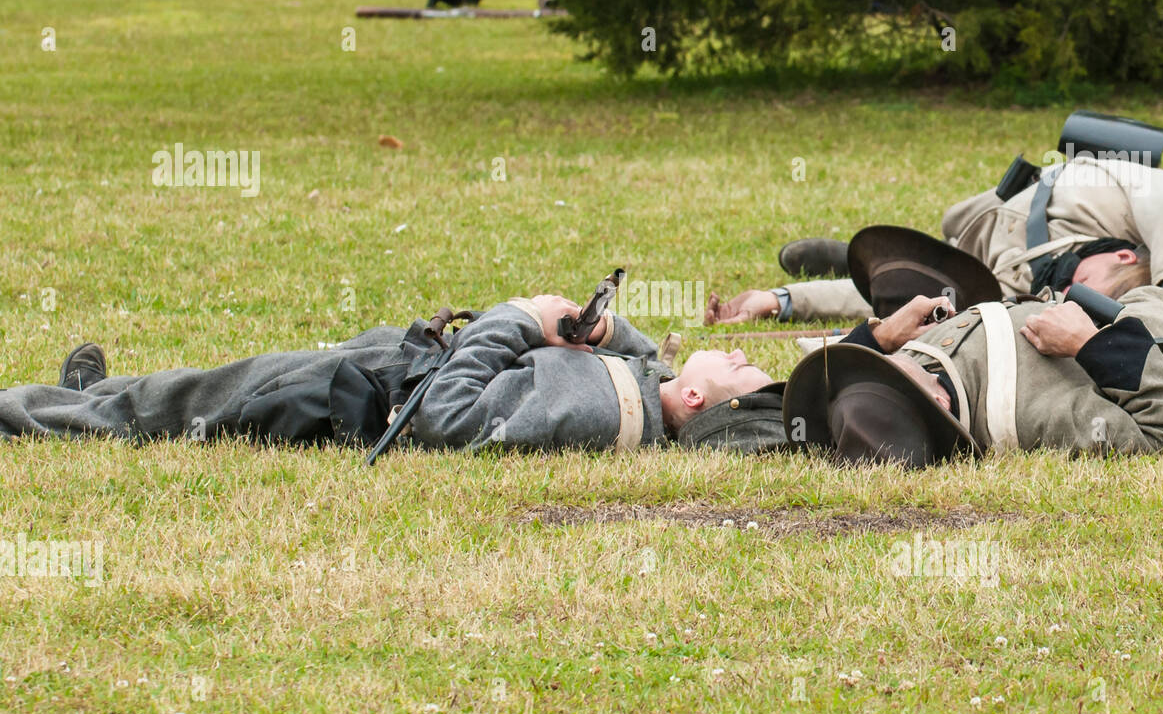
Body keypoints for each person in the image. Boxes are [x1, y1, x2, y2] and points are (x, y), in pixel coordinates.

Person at [0, 295, 773, 452]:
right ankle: (85, 402)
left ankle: (35, 413)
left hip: (362, 395)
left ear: (697, 398)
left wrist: (515, 318)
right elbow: (642, 363)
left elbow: (449, 415)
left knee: (175, 405)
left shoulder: (606, 411)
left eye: (740, 367)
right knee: (188, 388)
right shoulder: (645, 388)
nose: (739, 351)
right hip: (383, 364)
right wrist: (600, 327)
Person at [706, 153, 1163, 325]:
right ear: (1123, 255)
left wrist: (780, 300)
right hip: (1018, 201)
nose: (1070, 295)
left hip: (973, 248)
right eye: (1087, 287)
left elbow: (920, 300)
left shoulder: (1033, 295)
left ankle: (869, 259)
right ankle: (860, 253)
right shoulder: (1118, 205)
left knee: (915, 278)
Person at [783, 285, 1163, 468]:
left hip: (1062, 296)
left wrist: (879, 337)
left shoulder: (903, 382)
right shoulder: (1035, 416)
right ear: (940, 404)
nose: (891, 359)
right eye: (890, 371)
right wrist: (1091, 345)